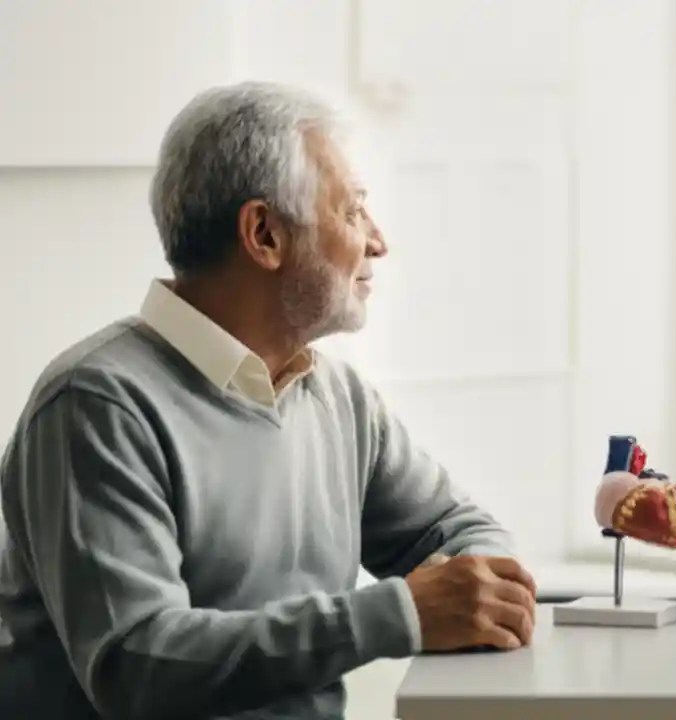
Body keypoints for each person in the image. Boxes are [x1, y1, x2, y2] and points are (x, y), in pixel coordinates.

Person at [0, 82, 537, 719]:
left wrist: (479, 588)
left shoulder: (339, 397)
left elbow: (460, 530)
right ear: (264, 234)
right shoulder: (95, 406)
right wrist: (398, 614)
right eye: (353, 212)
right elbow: (137, 664)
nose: (377, 241)